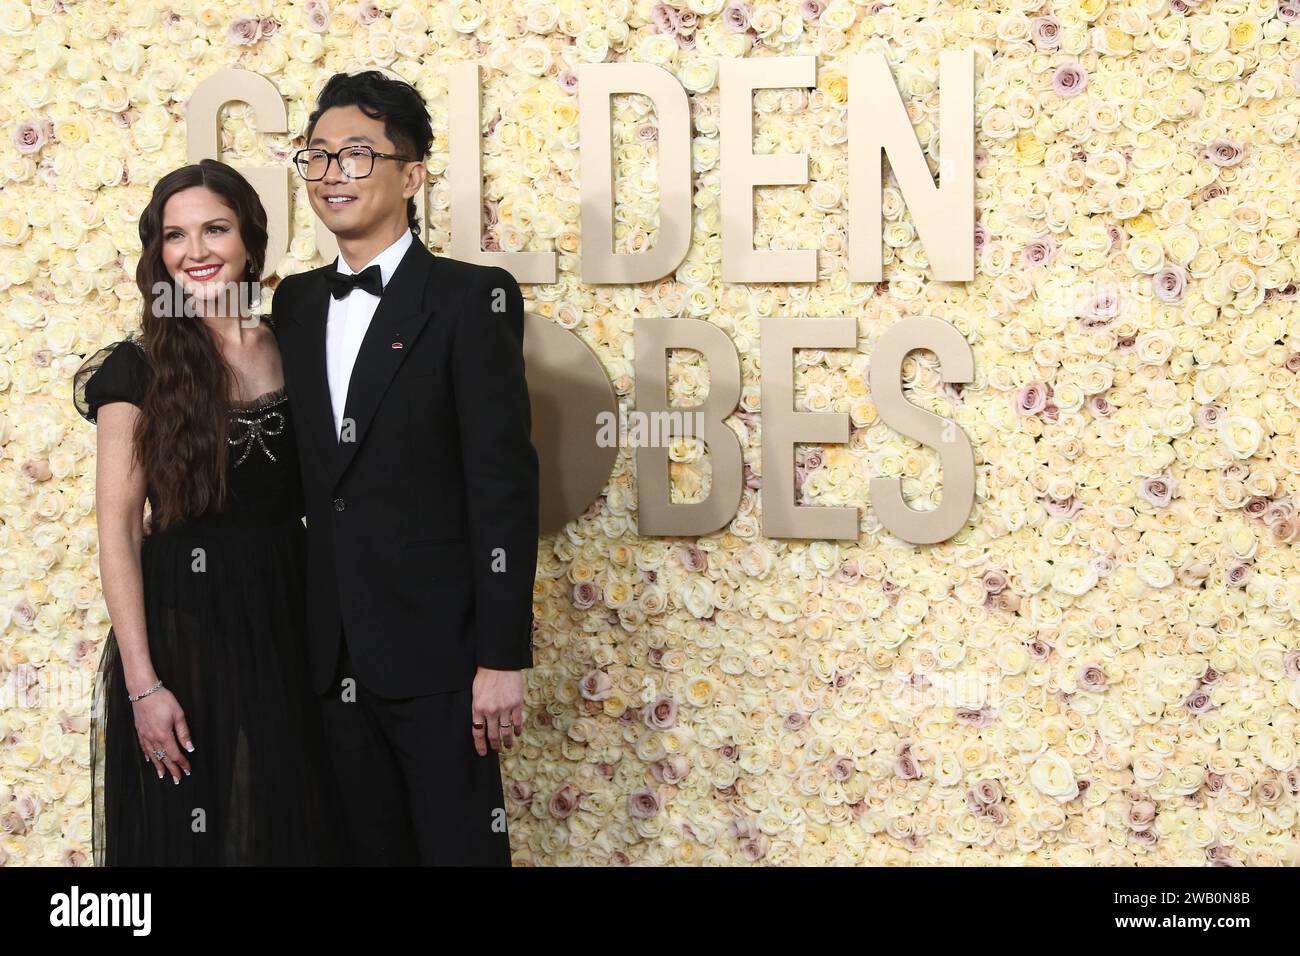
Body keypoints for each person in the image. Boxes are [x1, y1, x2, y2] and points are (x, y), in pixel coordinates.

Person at [270, 70, 539, 865]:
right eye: (316, 156)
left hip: (444, 656)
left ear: (412, 175)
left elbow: (502, 486)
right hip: (329, 654)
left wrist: (501, 658)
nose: (330, 174)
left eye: (356, 155)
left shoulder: (471, 299)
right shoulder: (295, 304)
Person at [72, 159, 343, 865]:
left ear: (250, 241)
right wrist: (143, 684)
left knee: (297, 820)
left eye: (214, 229)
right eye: (175, 235)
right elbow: (118, 533)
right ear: (157, 253)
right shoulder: (136, 369)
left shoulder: (296, 345)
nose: (195, 252)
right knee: (197, 830)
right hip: (186, 626)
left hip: (294, 609)